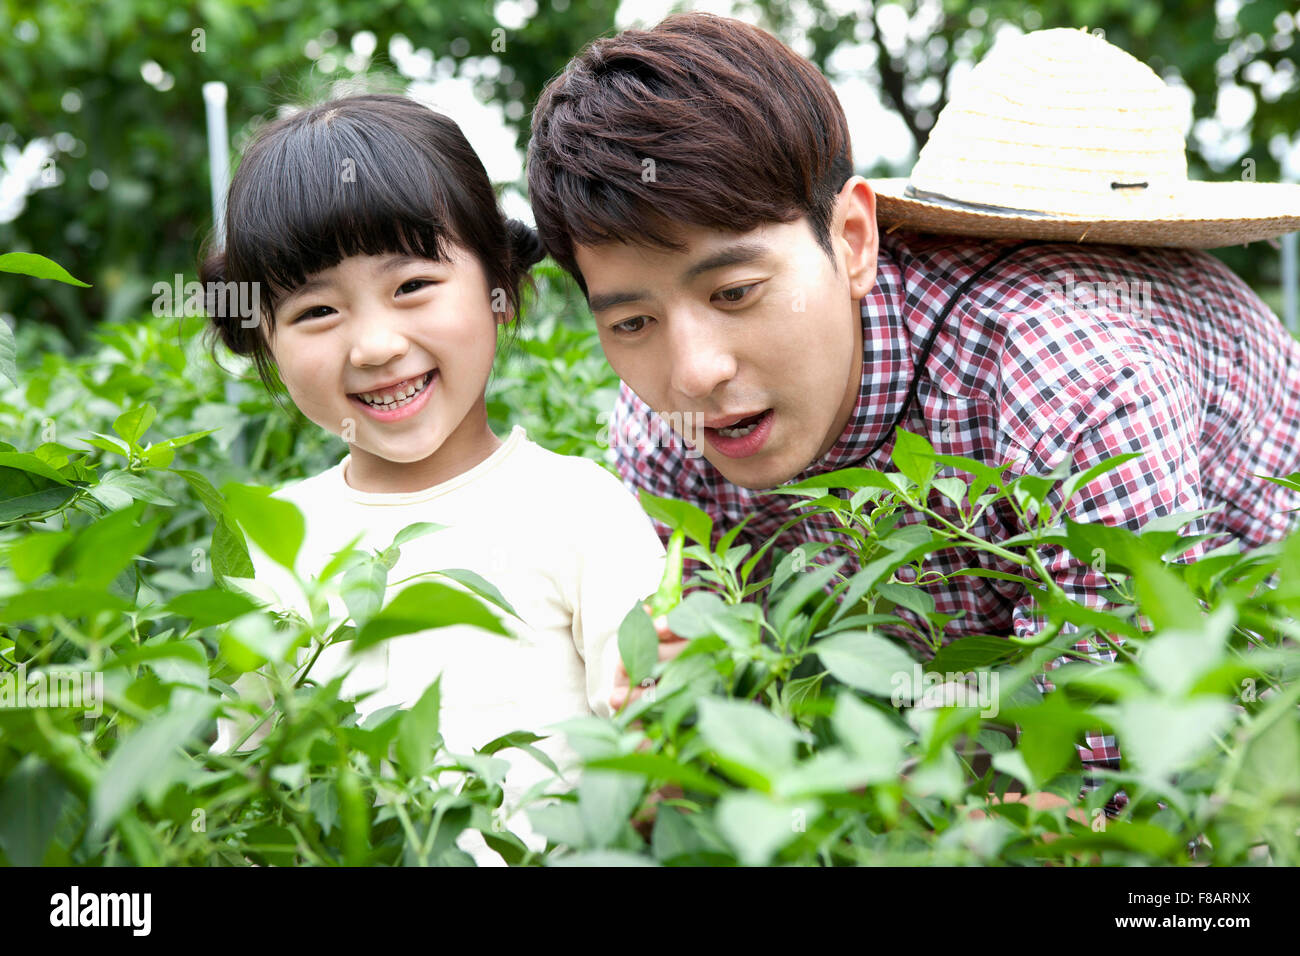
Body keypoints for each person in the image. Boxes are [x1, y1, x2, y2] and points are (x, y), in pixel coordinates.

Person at [527, 17, 1300, 804]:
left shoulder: (1067, 378)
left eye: (735, 293)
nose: (694, 374)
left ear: (854, 241)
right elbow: (711, 702)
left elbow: (1129, 793)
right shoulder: (667, 423)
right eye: (632, 323)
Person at [200, 93, 665, 864]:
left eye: (412, 285)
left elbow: (651, 744)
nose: (376, 344)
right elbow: (249, 793)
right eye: (316, 311)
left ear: (501, 286)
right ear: (264, 342)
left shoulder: (579, 507)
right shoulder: (269, 541)